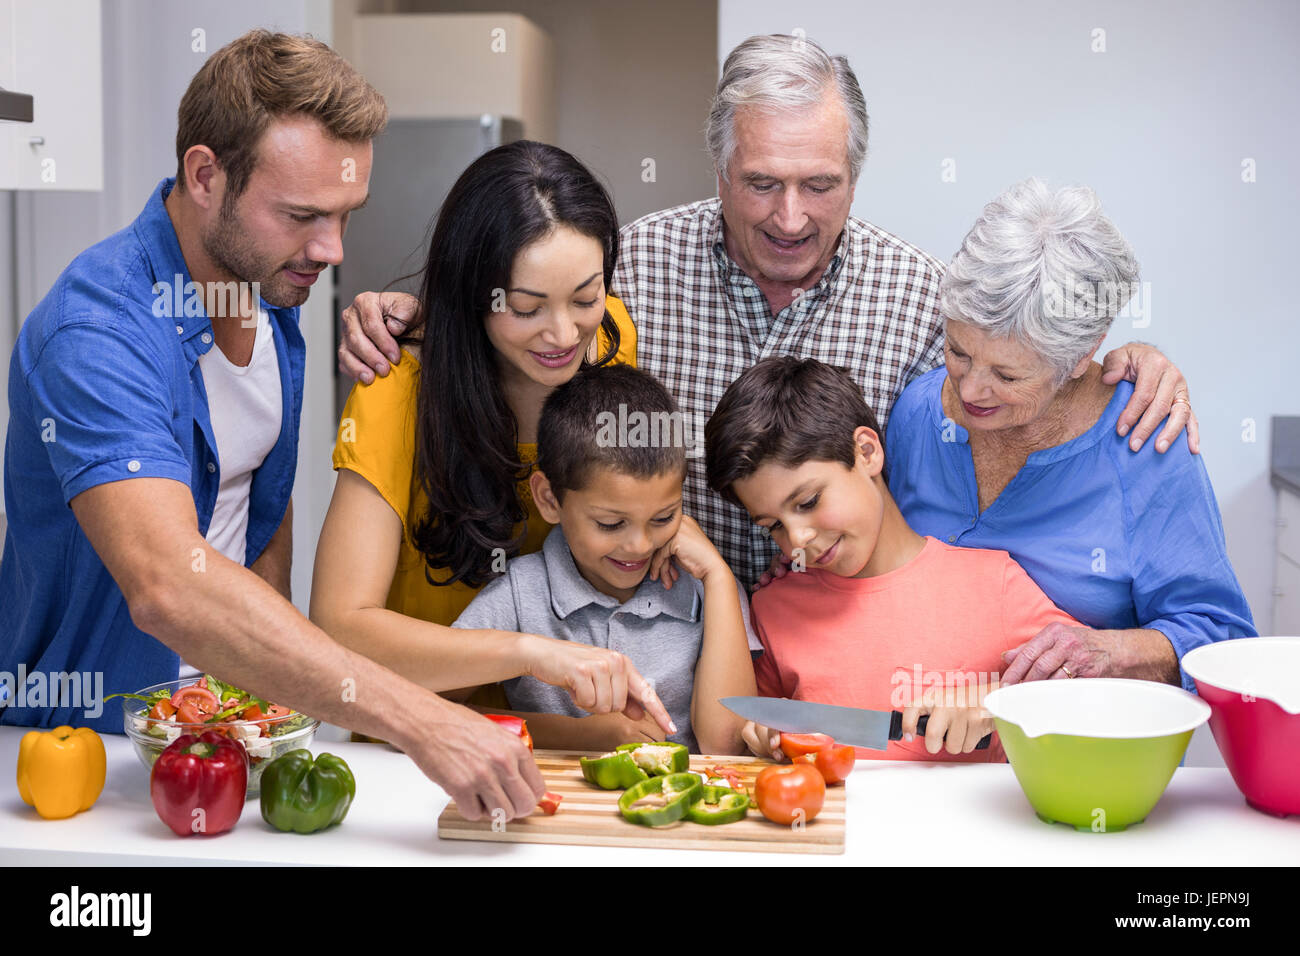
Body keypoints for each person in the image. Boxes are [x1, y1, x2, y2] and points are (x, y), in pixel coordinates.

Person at [0, 31, 645, 822]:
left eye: (345, 216)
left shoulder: (268, 296)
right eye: (303, 215)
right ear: (206, 176)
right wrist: (420, 718)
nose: (333, 251)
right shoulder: (96, 334)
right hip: (90, 757)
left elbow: (257, 515)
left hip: (234, 741)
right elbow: (169, 585)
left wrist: (271, 716)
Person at [336, 34, 1198, 591]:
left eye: (820, 185)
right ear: (718, 169)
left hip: (841, 668)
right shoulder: (626, 270)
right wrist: (419, 312)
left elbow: (1017, 396)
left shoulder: (927, 300)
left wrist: (1119, 366)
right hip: (658, 662)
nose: (791, 218)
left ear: (856, 176)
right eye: (761, 184)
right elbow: (522, 328)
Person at [311, 141, 673, 747]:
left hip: (558, 734)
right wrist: (529, 653)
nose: (564, 334)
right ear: (472, 298)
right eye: (527, 309)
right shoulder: (397, 391)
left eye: (586, 298)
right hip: (415, 741)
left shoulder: (609, 342)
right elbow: (340, 629)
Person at [885, 179, 1256, 690]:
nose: (970, 388)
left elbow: (1221, 639)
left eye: (1008, 376)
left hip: (1084, 753)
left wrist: (1110, 651)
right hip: (933, 753)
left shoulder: (1145, 438)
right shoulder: (917, 415)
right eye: (958, 351)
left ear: (1083, 356)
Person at [705, 356, 1080, 762]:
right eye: (772, 525)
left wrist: (1000, 700)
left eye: (808, 501)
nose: (797, 539)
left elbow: (1107, 695)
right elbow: (750, 737)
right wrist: (766, 740)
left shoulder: (996, 586)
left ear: (866, 452)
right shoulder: (773, 608)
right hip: (837, 824)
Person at [451, 365, 757, 754]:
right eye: (611, 523)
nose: (640, 546)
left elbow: (726, 745)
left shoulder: (706, 587)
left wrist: (717, 578)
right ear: (549, 499)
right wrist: (581, 736)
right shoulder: (519, 591)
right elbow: (429, 707)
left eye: (664, 518)